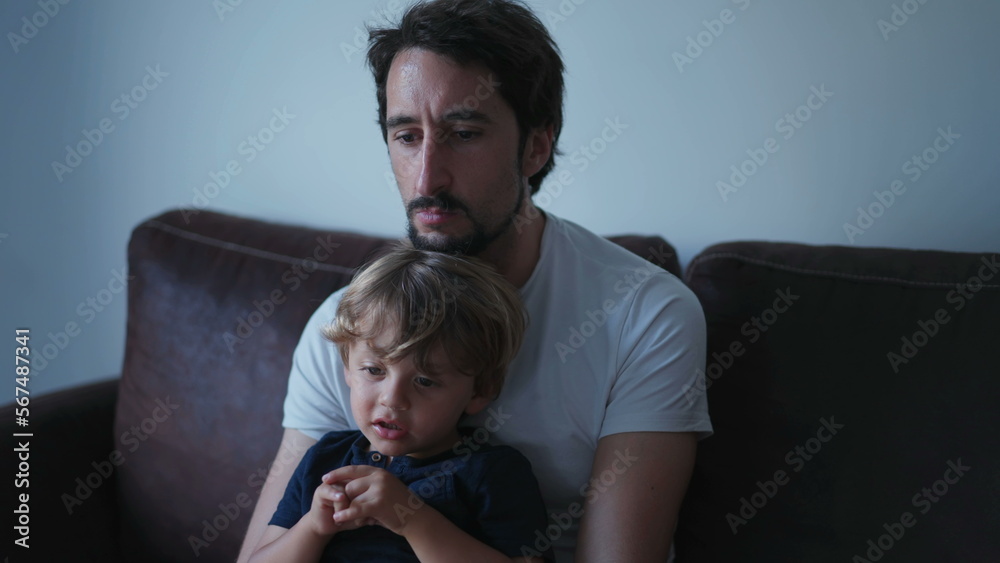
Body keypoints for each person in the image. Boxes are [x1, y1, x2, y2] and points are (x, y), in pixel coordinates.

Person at [239, 1, 713, 561]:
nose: (427, 178)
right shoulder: (347, 325)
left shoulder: (645, 317)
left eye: (463, 133)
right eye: (407, 136)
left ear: (536, 146)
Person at [248, 244, 552, 562]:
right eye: (374, 370)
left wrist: (411, 519)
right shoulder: (324, 461)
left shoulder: (492, 473)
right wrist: (313, 527)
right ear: (347, 368)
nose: (392, 398)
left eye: (424, 381)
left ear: (480, 392)